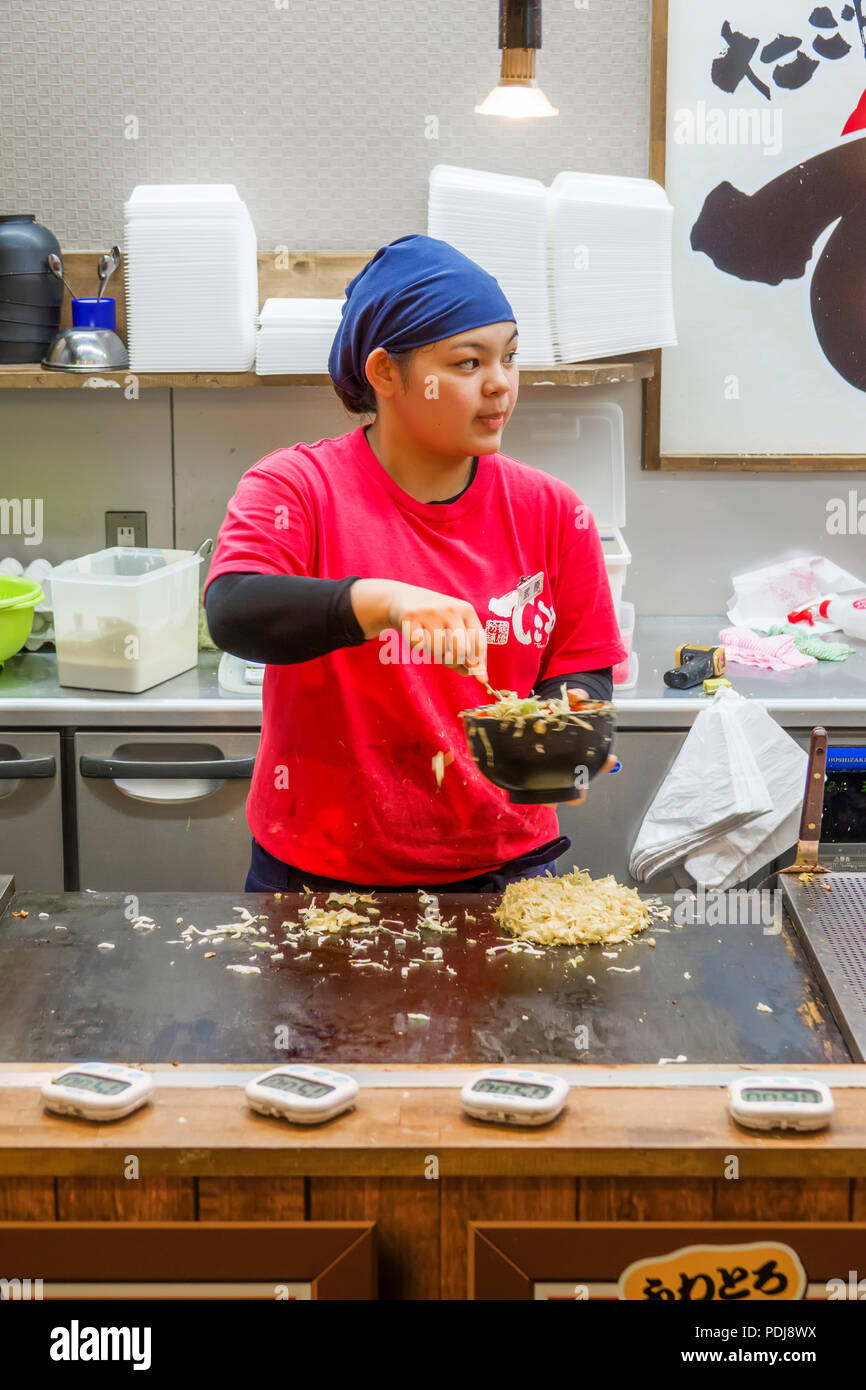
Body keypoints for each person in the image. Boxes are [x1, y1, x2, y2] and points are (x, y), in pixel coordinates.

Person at [204, 234, 627, 894]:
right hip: (321, 877)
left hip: (503, 872)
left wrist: (563, 730)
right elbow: (234, 611)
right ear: (386, 374)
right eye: (467, 363)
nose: (500, 385)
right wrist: (383, 604)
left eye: (510, 358)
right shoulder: (298, 488)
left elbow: (581, 667)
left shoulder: (551, 510)